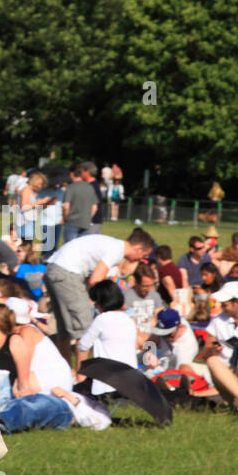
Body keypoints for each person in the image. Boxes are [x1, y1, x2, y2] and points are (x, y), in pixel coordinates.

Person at [44, 228, 156, 360]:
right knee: (85, 329)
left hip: (54, 269)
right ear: (138, 249)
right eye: (143, 255)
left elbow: (90, 280)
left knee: (64, 329)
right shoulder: (116, 250)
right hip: (68, 273)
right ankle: (83, 372)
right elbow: (95, 280)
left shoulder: (111, 243)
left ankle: (66, 368)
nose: (142, 259)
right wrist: (113, 303)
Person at [75, 280, 139, 395]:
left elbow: (83, 346)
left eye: (96, 302)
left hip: (107, 384)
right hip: (131, 381)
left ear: (101, 303)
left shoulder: (101, 319)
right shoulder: (129, 320)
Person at [61, 161, 98, 244]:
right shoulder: (90, 187)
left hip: (72, 222)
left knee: (70, 247)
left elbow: (66, 206)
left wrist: (65, 218)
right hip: (85, 223)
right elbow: (95, 207)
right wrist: (87, 217)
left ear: (71, 174)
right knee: (82, 248)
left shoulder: (71, 187)